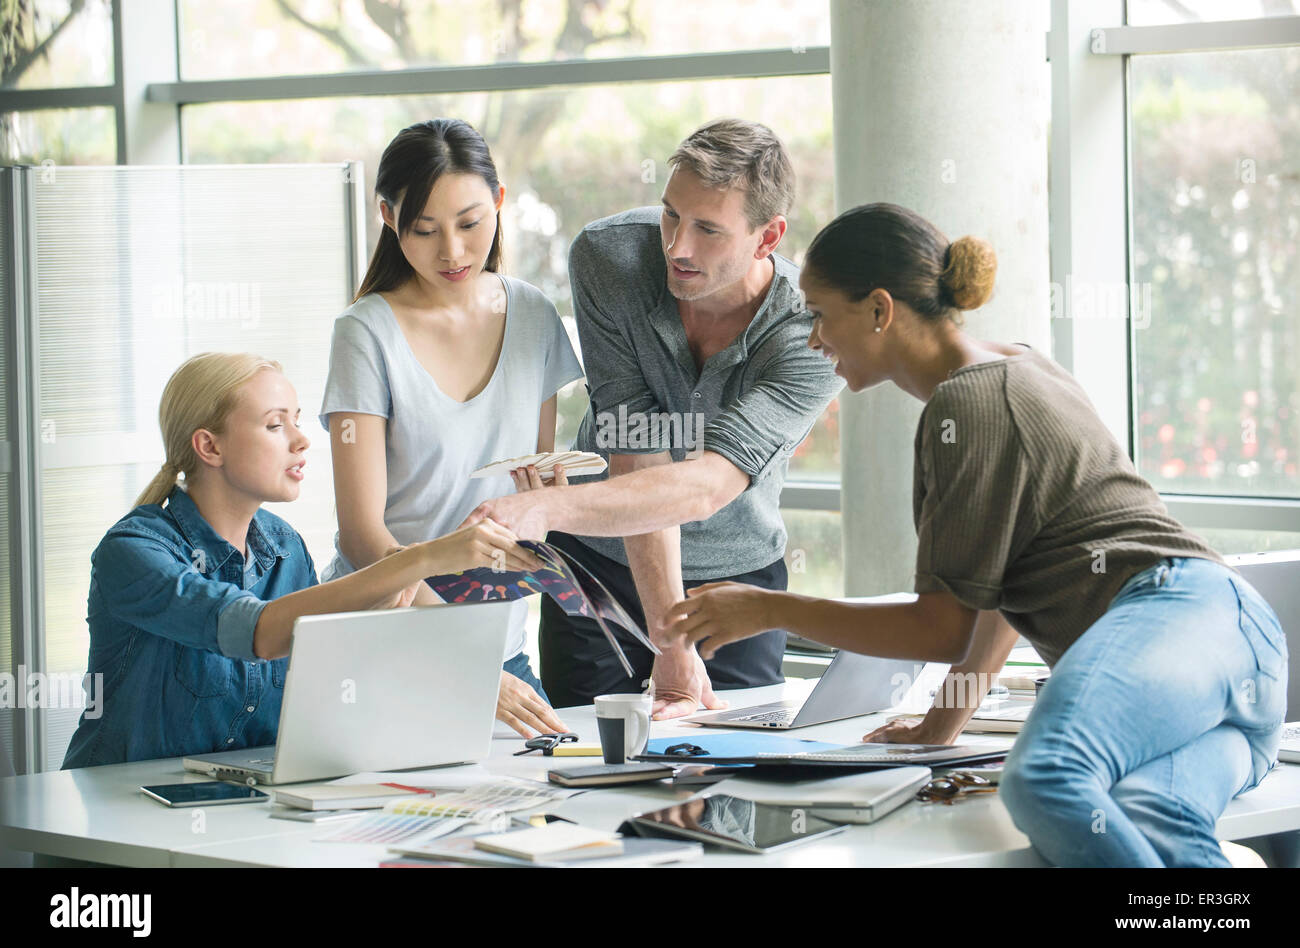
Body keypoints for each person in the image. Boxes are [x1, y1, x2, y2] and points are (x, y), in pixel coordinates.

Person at [661, 202, 1288, 868]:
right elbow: (996, 594)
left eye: (818, 314)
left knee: (1046, 777)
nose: (812, 339)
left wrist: (767, 608)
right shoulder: (1013, 365)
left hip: (1181, 618)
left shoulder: (968, 402)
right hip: (1232, 659)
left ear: (879, 310)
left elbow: (942, 627)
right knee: (1151, 820)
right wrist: (942, 724)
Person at [460, 119, 843, 716]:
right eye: (671, 216)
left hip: (734, 577)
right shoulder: (610, 259)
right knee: (582, 767)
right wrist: (671, 634)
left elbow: (708, 484)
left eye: (708, 230)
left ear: (768, 238)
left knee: (725, 775)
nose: (677, 248)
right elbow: (637, 441)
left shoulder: (810, 331)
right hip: (601, 563)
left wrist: (542, 508)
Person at [63, 352, 541, 769]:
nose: (302, 440)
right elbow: (261, 632)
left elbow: (326, 675)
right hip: (122, 807)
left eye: (296, 419)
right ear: (209, 446)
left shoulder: (284, 545)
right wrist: (421, 559)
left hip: (241, 802)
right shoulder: (133, 551)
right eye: (275, 425)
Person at [318, 119, 584, 738]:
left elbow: (530, 499)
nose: (454, 252)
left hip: (503, 653)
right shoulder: (366, 334)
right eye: (425, 230)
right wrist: (458, 653)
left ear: (498, 200)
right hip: (389, 641)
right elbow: (363, 537)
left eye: (469, 223)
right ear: (389, 218)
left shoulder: (533, 317)